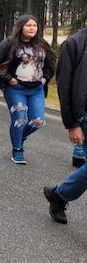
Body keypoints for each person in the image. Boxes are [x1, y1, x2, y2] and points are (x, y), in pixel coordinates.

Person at [0, 14, 55, 164]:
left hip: (37, 88)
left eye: (34, 26)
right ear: (21, 27)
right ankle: (17, 149)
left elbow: (51, 63)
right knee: (19, 119)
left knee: (38, 121)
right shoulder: (9, 43)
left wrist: (45, 79)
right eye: (28, 26)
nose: (32, 28)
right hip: (16, 88)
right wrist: (8, 79)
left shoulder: (42, 44)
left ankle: (21, 136)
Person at [43, 26, 87, 223]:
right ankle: (60, 195)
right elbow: (65, 86)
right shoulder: (74, 44)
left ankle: (59, 195)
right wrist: (72, 123)